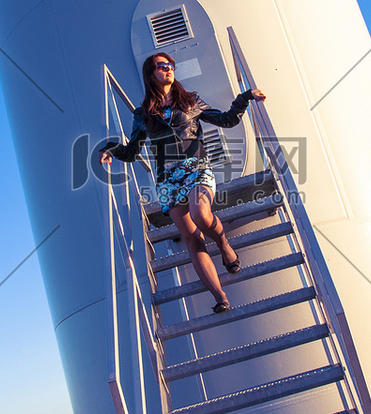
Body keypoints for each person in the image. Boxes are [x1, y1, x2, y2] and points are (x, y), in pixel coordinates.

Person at [100, 53, 265, 313]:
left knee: (201, 213)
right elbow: (132, 152)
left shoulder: (190, 101)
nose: (168, 69)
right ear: (150, 74)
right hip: (167, 179)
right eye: (161, 66)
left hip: (196, 167)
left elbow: (226, 120)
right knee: (192, 239)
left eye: (170, 66)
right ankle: (219, 296)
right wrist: (110, 148)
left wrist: (244, 98)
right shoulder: (142, 115)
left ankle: (223, 245)